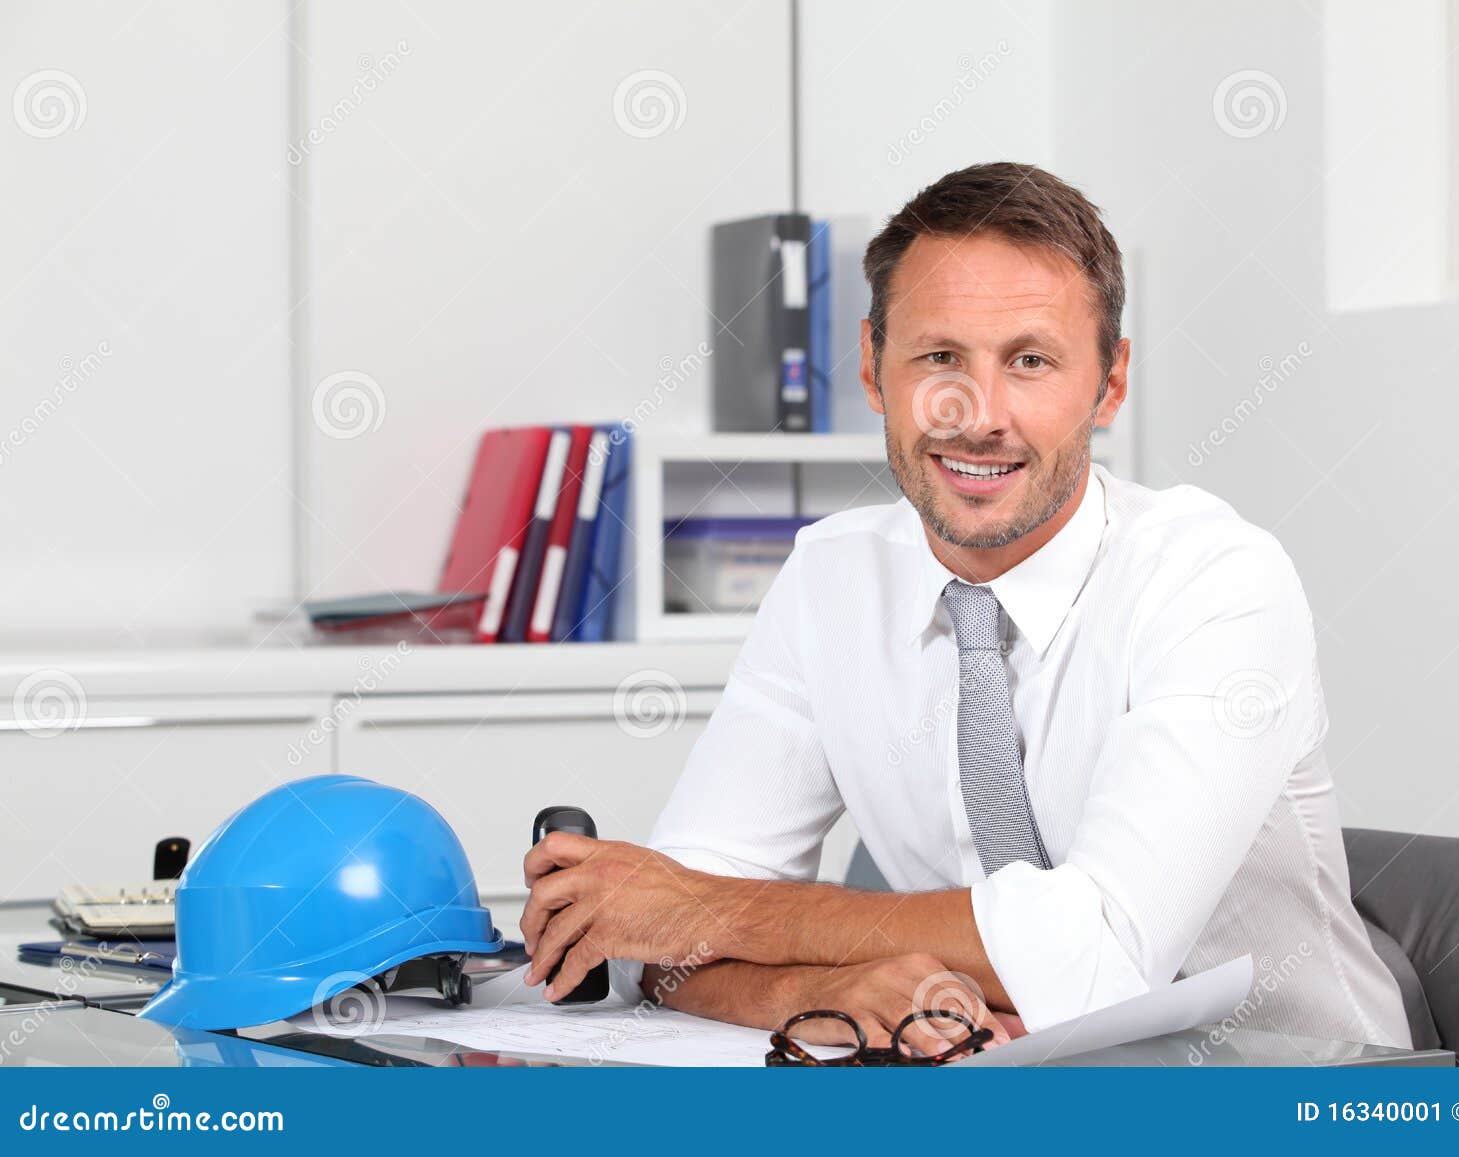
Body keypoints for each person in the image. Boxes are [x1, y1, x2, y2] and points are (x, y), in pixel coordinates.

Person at [521, 161, 1411, 1055]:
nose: (977, 415)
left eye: (1030, 361)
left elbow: (1096, 955)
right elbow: (655, 941)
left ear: (1109, 382)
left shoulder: (1218, 581)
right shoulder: (829, 579)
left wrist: (716, 910)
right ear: (873, 368)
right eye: (940, 356)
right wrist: (822, 988)